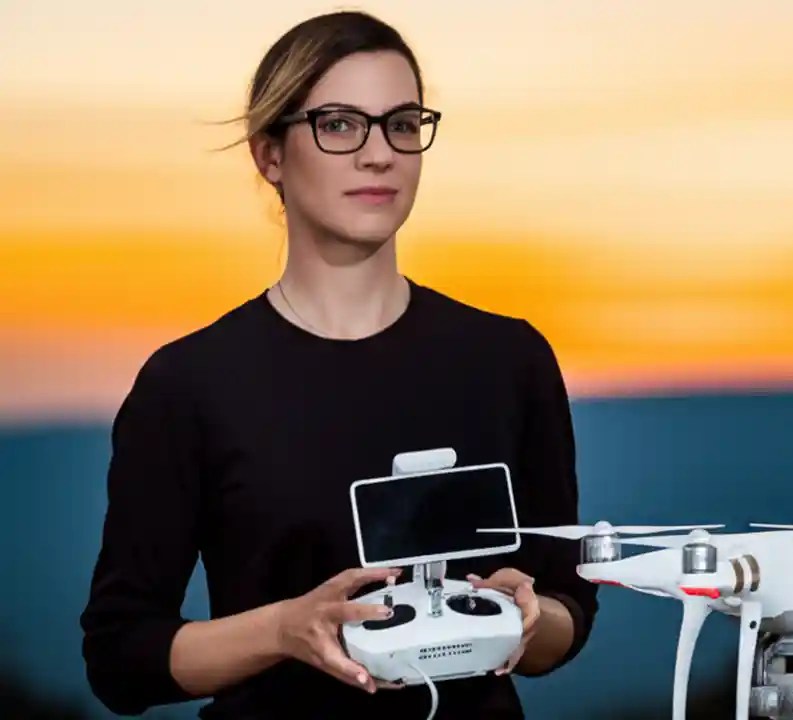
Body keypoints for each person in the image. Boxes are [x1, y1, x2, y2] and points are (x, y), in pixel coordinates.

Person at [78, 10, 598, 719]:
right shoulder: (189, 385)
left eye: (402, 124)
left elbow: (568, 608)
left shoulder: (509, 359)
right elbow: (120, 657)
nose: (379, 154)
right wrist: (284, 629)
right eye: (340, 124)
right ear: (269, 155)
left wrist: (527, 619)